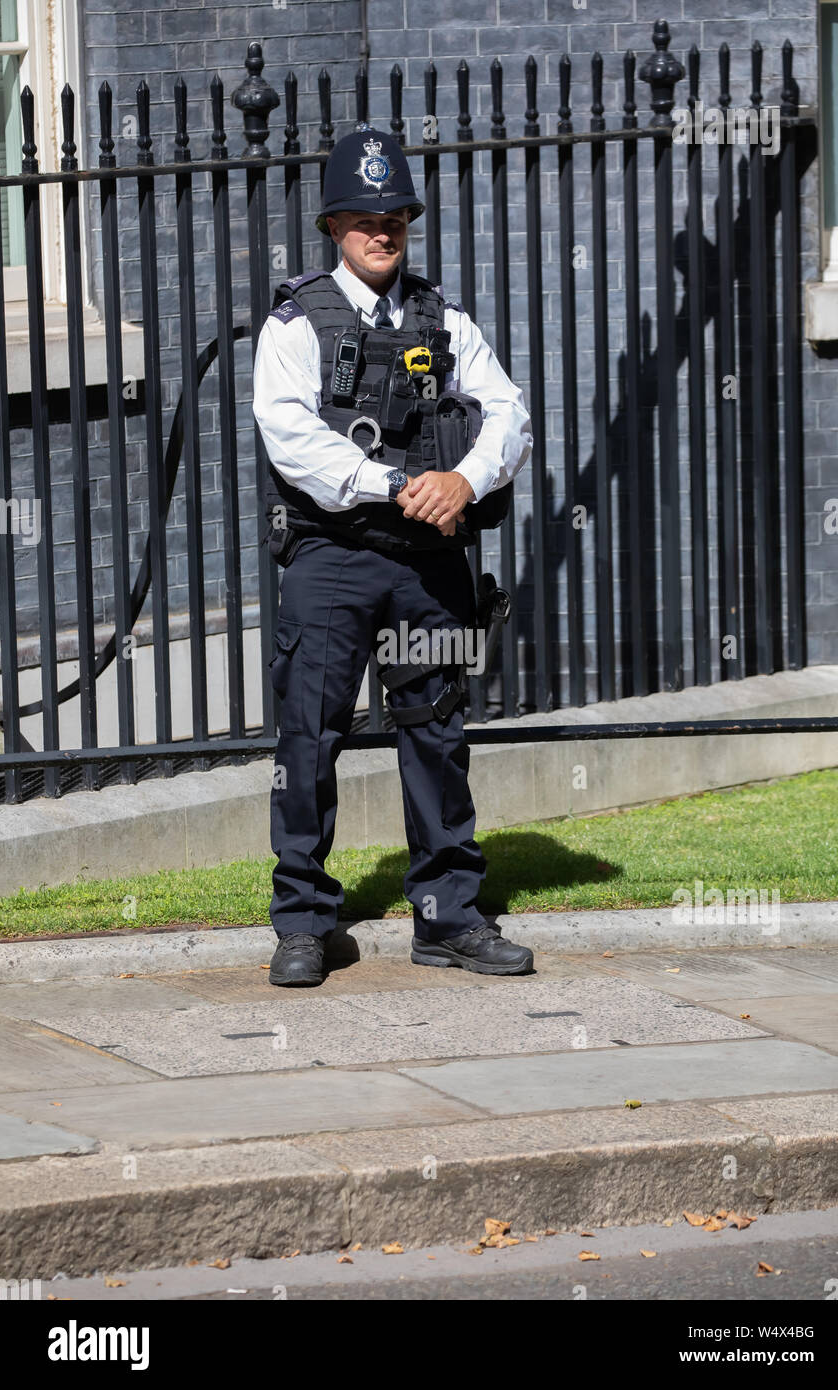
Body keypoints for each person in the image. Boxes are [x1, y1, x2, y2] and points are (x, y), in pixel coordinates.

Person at [252, 124, 534, 987]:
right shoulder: (297, 321)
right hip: (333, 558)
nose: (383, 231)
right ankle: (305, 922)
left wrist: (464, 480)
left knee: (438, 738)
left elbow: (508, 412)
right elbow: (289, 435)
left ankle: (449, 914)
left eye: (397, 217)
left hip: (429, 561)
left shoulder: (442, 318)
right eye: (365, 217)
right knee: (310, 739)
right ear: (334, 223)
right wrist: (390, 484)